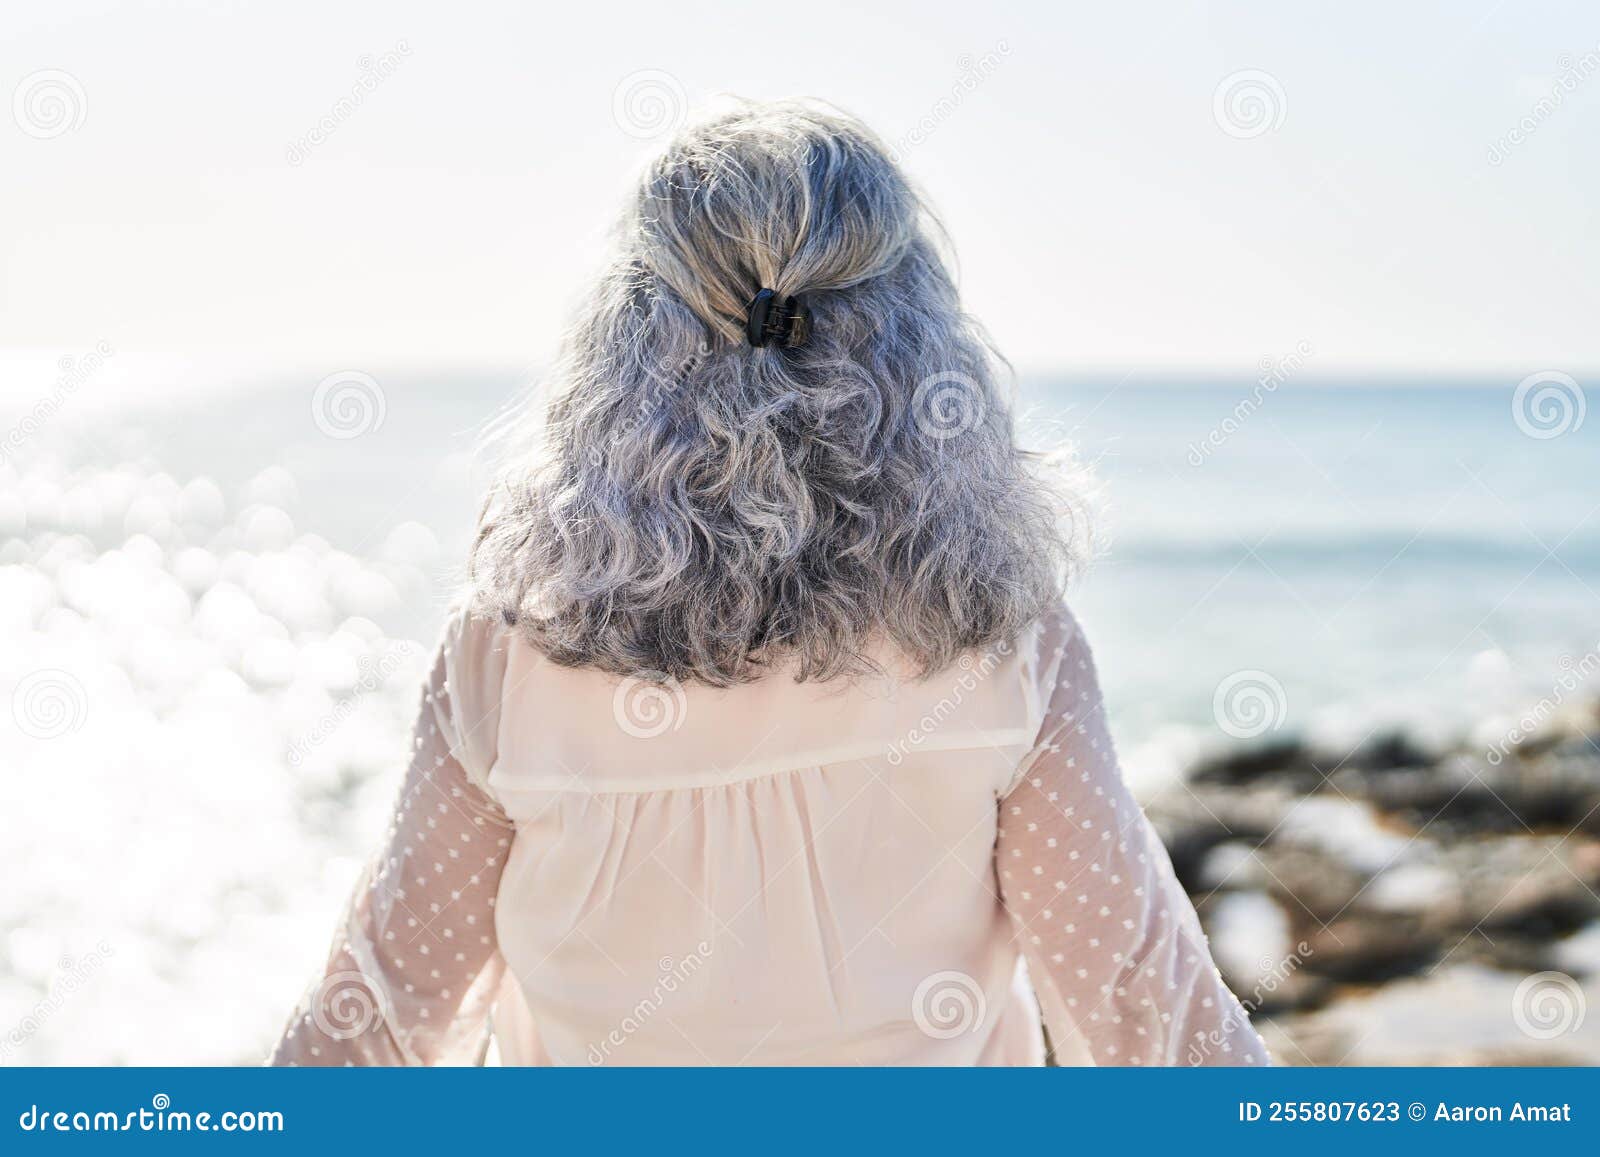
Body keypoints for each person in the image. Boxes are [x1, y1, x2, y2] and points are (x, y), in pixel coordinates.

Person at [269, 100, 1268, 1067]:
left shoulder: (508, 648)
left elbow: (386, 1009)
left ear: (626, 339)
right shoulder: (1001, 640)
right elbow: (1140, 1004)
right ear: (918, 343)